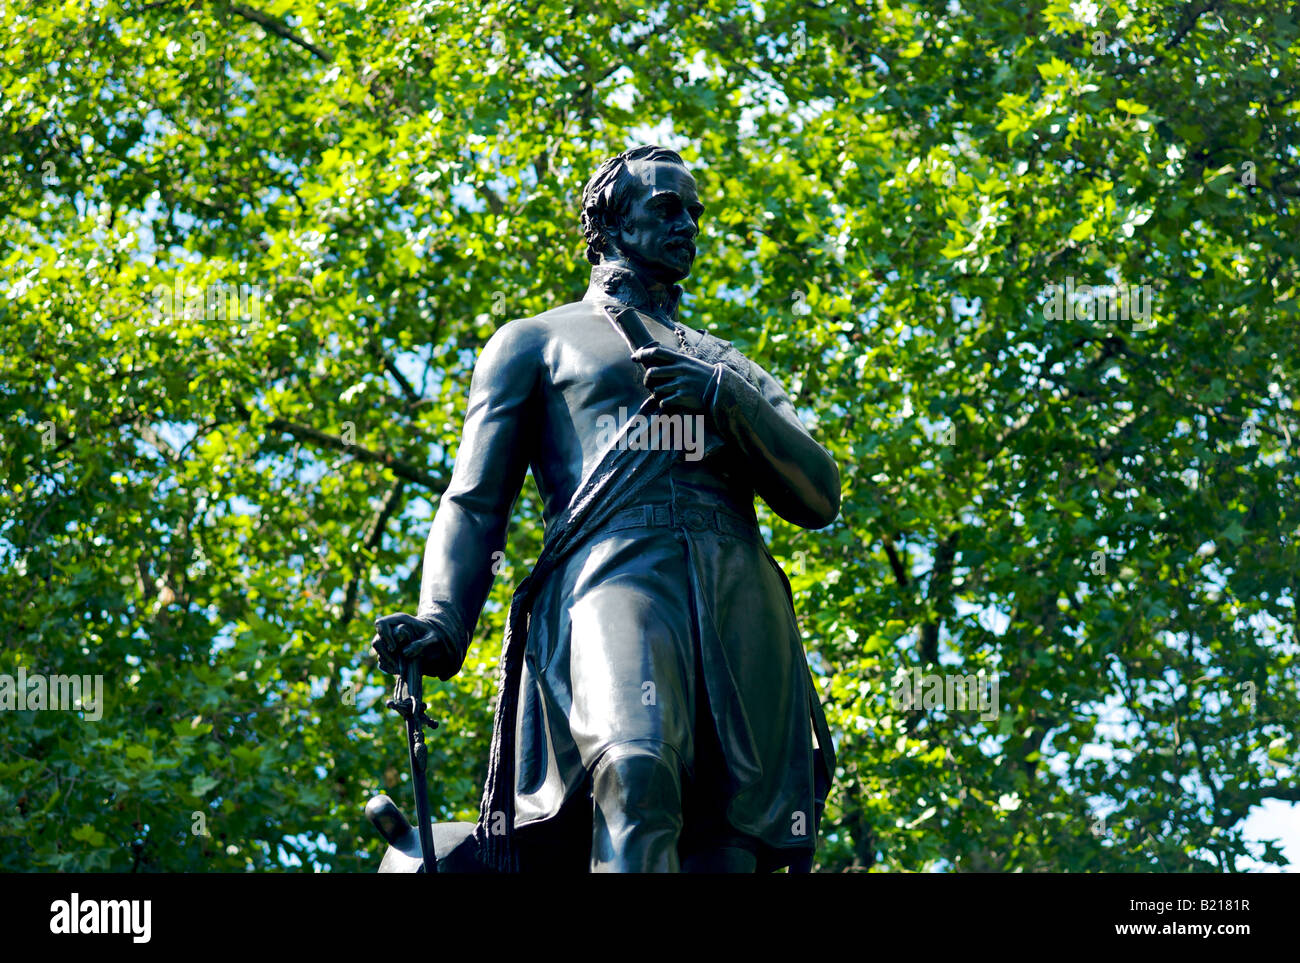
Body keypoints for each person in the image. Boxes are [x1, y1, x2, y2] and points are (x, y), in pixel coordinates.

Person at [373, 145, 839, 872]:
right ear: (609, 221)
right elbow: (473, 501)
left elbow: (819, 494)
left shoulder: (731, 365)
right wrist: (442, 618)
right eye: (667, 207)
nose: (688, 224)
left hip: (738, 599)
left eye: (695, 211)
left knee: (731, 844)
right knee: (636, 767)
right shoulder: (536, 340)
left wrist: (726, 398)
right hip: (615, 576)